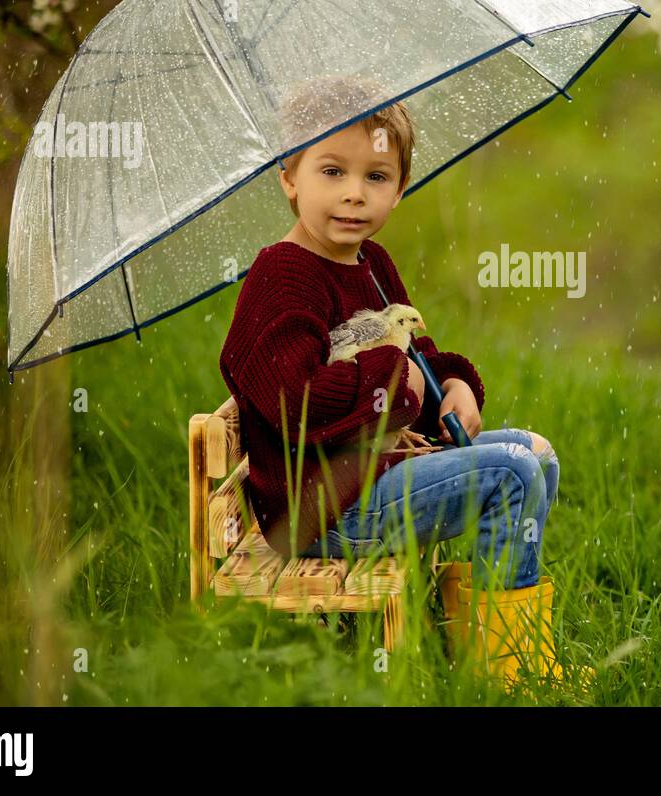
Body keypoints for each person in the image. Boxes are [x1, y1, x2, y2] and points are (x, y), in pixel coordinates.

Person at [219, 75, 576, 689]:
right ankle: (503, 672)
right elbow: (289, 401)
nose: (354, 195)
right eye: (332, 172)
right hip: (324, 506)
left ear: (400, 189)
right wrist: (394, 376)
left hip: (379, 472)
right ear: (289, 178)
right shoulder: (280, 277)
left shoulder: (372, 264)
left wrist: (454, 386)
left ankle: (479, 629)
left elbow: (419, 359)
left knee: (536, 456)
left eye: (376, 177)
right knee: (510, 473)